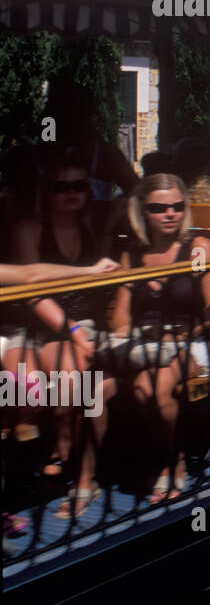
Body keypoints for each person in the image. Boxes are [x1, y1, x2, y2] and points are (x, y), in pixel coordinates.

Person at [10, 159, 118, 510]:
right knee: (25, 391)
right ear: (46, 193)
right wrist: (71, 330)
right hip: (39, 327)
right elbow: (33, 289)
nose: (72, 193)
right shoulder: (31, 230)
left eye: (80, 186)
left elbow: (135, 200)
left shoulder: (91, 225)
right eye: (62, 186)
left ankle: (77, 471)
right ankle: (56, 452)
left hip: (80, 327)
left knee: (83, 385)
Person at [107, 175, 210, 503]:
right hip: (147, 346)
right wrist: (125, 333)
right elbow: (122, 316)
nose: (170, 213)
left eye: (177, 206)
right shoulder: (134, 256)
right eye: (159, 208)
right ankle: (83, 477)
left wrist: (181, 333)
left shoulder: (196, 250)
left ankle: (173, 462)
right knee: (102, 389)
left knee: (154, 389)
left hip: (191, 344)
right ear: (142, 212)